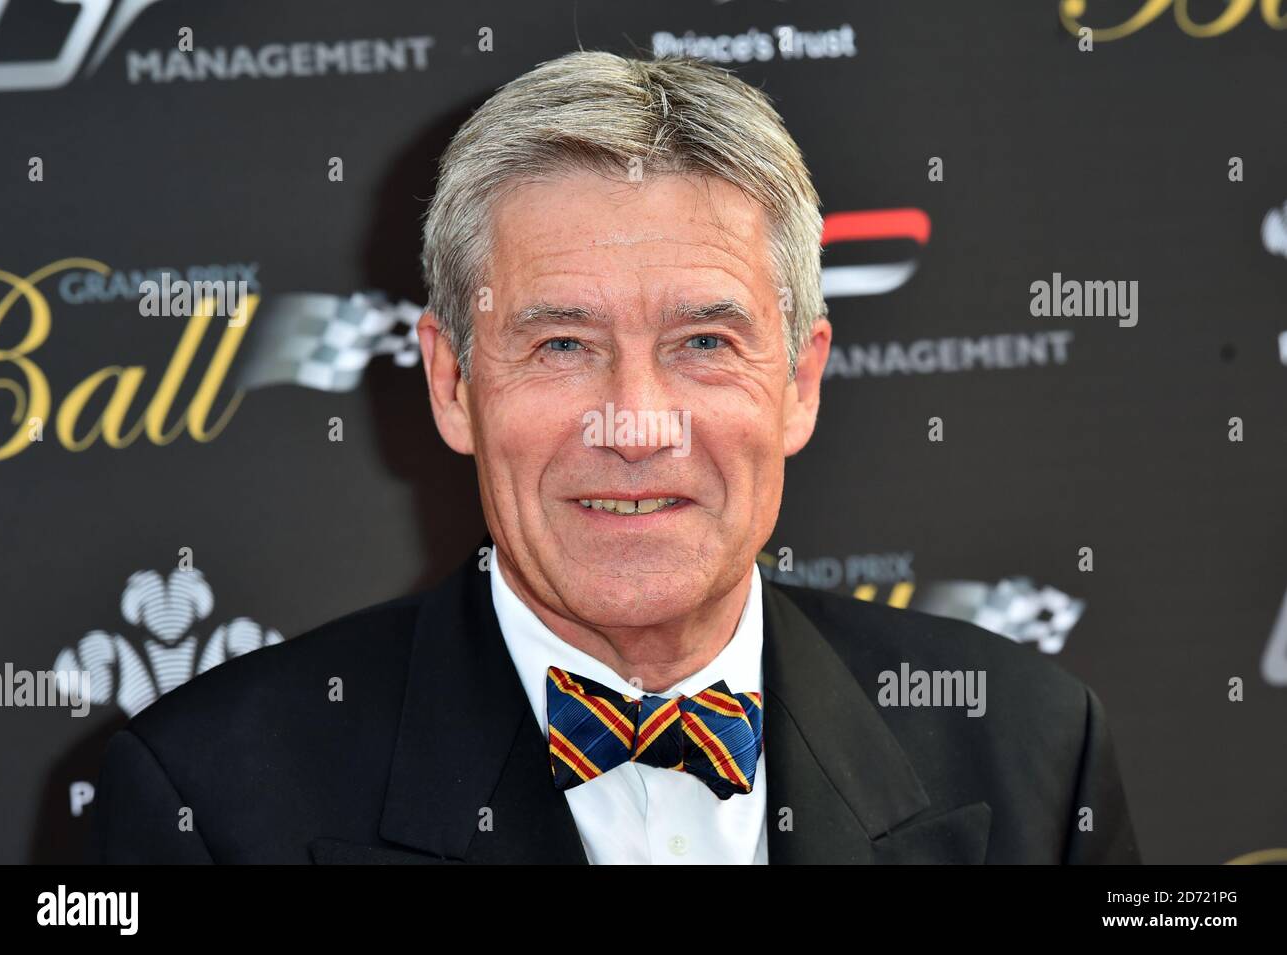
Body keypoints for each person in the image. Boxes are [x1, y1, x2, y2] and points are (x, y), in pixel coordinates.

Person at [89, 51, 1140, 864]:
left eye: (702, 344)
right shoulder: (208, 799)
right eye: (561, 346)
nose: (635, 426)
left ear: (801, 381)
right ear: (452, 381)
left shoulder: (1032, 751)